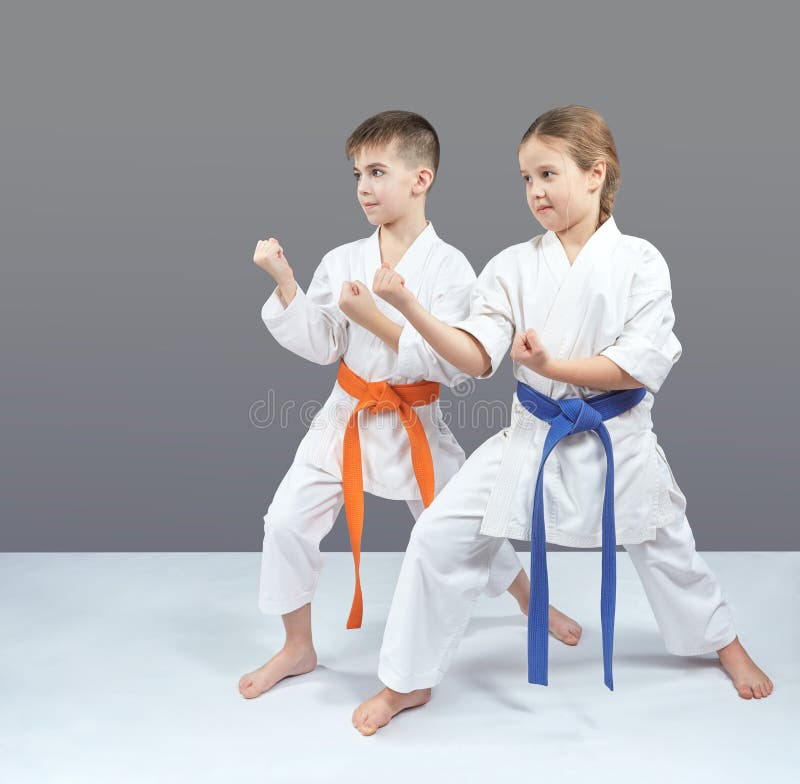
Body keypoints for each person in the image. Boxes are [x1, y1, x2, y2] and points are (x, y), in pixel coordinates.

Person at [351, 104, 773, 735]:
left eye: (548, 174)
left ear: (596, 174)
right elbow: (477, 355)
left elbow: (638, 364)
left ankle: (725, 643)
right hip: (533, 435)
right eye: (526, 179)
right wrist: (411, 307)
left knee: (667, 547)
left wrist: (555, 365)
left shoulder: (640, 261)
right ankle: (406, 680)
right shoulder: (513, 265)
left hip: (616, 439)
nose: (535, 191)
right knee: (438, 534)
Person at [239, 110, 581, 700]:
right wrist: (286, 283)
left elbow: (456, 365)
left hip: (413, 423)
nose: (363, 187)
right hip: (345, 418)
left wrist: (377, 315)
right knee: (285, 522)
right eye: (357, 175)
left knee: (472, 527)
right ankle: (297, 646)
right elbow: (323, 344)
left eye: (377, 172)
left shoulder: (451, 269)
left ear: (421, 179)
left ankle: (531, 600)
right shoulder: (343, 259)